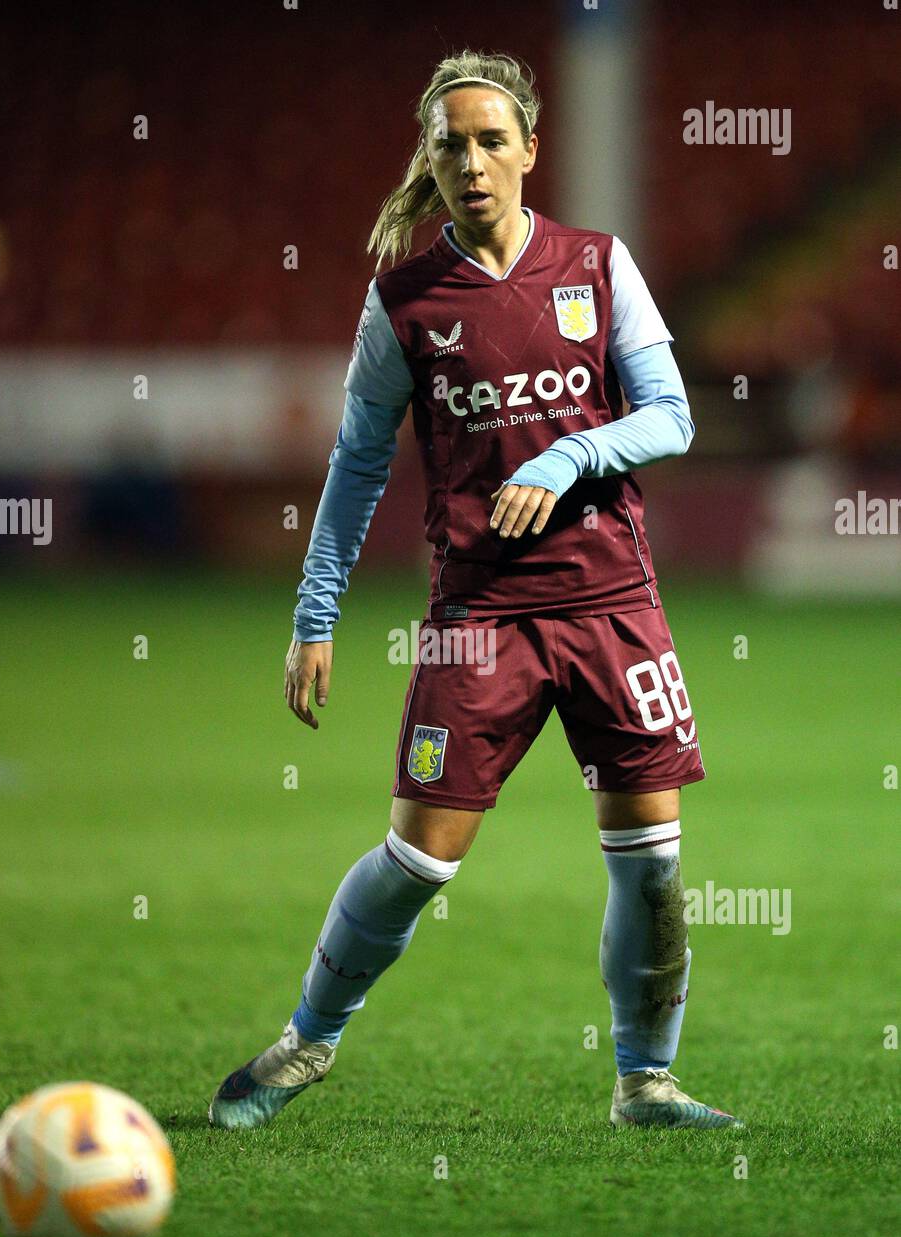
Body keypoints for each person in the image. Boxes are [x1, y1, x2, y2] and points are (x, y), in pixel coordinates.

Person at [209, 49, 743, 1132]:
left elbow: (671, 415)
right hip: (477, 623)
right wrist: (315, 616)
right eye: (448, 143)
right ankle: (307, 1041)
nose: (470, 160)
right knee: (414, 862)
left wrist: (561, 460)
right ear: (431, 161)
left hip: (610, 608)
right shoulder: (403, 302)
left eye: (490, 138)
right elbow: (356, 463)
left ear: (529, 149)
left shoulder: (596, 265)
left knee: (650, 868)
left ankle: (644, 1081)